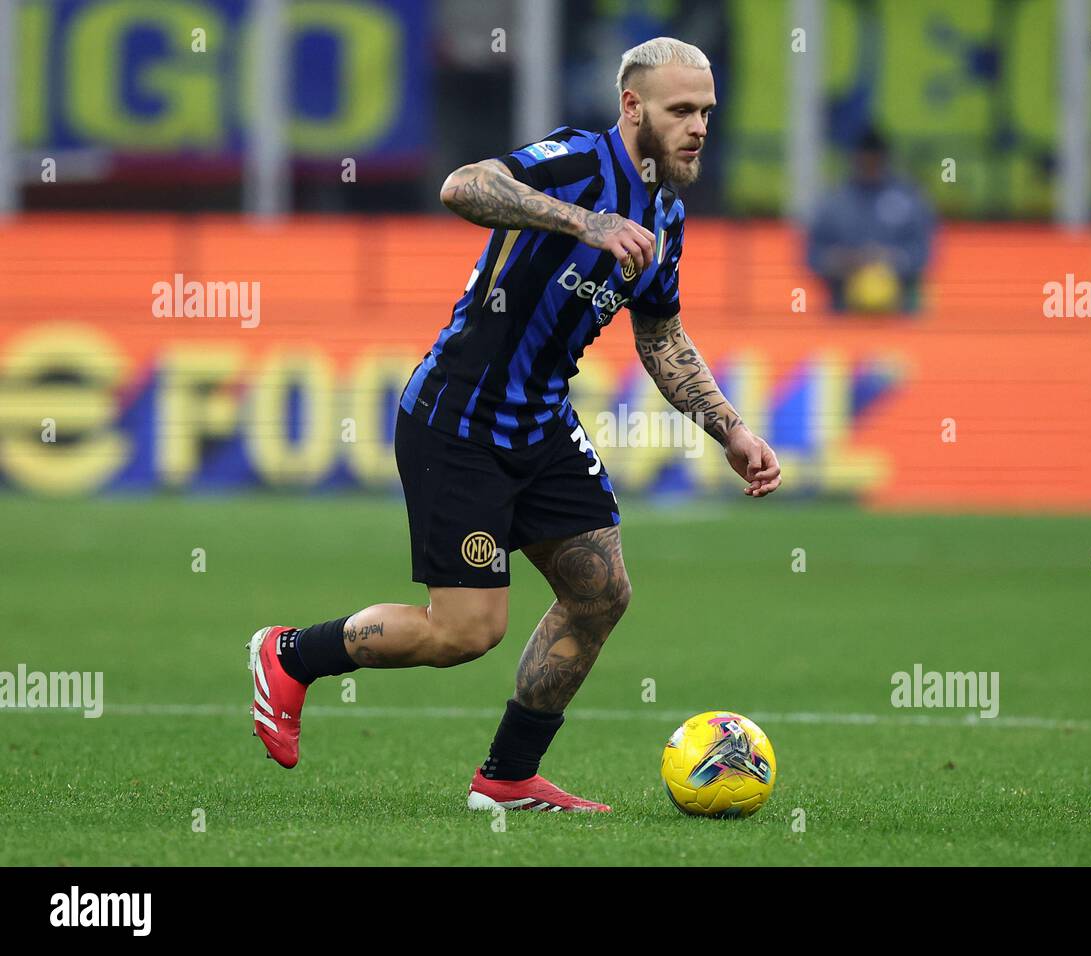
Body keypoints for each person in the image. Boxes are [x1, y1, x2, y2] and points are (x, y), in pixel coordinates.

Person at [246, 37, 781, 813]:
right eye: (680, 110)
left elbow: (660, 336)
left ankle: (506, 780)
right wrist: (581, 223)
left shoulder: (666, 213)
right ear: (632, 107)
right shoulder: (576, 161)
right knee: (465, 633)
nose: (698, 126)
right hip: (457, 419)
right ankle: (291, 654)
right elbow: (464, 186)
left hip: (540, 424)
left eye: (706, 111)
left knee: (599, 593)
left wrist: (729, 428)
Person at [807, 128, 935, 314]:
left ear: (884, 159)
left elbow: (925, 254)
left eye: (874, 160)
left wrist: (891, 259)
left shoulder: (909, 199)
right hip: (843, 308)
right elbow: (811, 256)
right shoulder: (834, 201)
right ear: (855, 159)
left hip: (899, 311)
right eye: (865, 159)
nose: (869, 165)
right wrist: (841, 260)